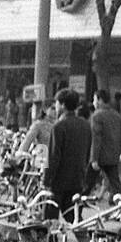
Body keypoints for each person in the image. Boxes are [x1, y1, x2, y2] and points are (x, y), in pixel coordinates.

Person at [45, 88, 91, 222]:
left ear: (63, 105)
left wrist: (46, 181)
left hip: (58, 181)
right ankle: (87, 241)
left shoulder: (59, 126)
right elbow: (87, 153)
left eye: (57, 103)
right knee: (74, 217)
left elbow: (53, 157)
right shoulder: (85, 125)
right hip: (77, 178)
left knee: (49, 220)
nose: (56, 107)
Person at [86, 89, 121, 198]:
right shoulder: (117, 116)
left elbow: (96, 138)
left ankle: (75, 209)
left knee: (87, 184)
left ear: (100, 100)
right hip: (113, 156)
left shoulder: (97, 116)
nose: (93, 102)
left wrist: (94, 158)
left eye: (94, 99)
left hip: (100, 155)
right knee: (116, 185)